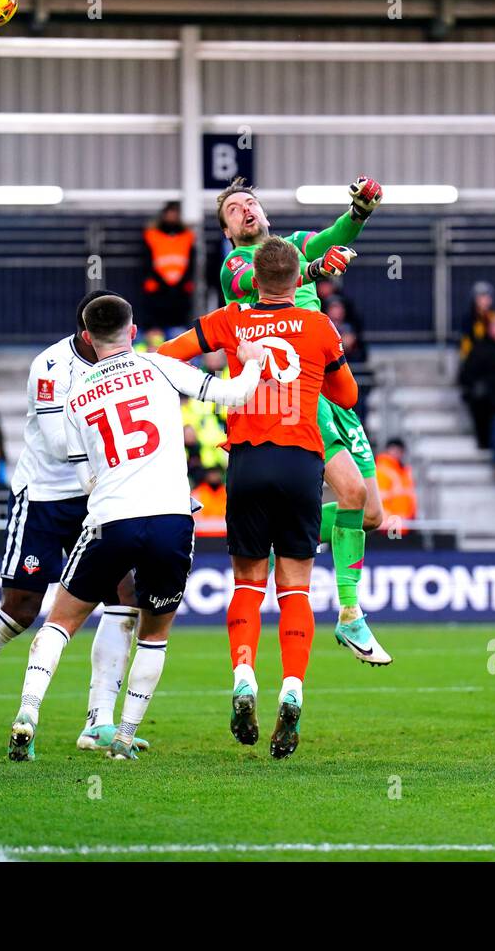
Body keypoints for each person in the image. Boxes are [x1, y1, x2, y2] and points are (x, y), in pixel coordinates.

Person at [8, 294, 264, 761]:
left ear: (87, 337)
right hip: (170, 518)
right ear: (133, 329)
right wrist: (252, 364)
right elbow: (233, 395)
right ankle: (124, 735)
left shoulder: (76, 393)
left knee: (61, 621)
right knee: (154, 632)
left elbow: (85, 476)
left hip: (111, 518)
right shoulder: (161, 365)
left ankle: (28, 711)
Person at [0, 292, 145, 754]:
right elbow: (59, 443)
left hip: (96, 499)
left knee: (125, 594)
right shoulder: (50, 367)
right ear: (84, 333)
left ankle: (99, 721)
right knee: (19, 612)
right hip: (43, 499)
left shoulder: (129, 361)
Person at [160, 236, 359, 759]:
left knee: (248, 582)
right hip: (300, 461)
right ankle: (292, 688)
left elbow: (165, 357)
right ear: (298, 280)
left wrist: (214, 387)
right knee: (294, 586)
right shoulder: (318, 325)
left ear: (254, 278)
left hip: (247, 461)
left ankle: (244, 675)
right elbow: (349, 396)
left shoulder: (231, 320)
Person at [211, 176, 392, 666]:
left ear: (266, 213)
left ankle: (277, 549)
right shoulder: (236, 264)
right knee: (352, 494)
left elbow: (334, 236)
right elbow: (259, 282)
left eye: (251, 202)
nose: (246, 209)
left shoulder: (291, 243)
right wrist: (312, 270)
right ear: (228, 231)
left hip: (335, 387)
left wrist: (359, 212)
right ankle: (350, 614)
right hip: (296, 389)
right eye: (234, 210)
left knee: (373, 514)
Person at [141, 200, 197, 330]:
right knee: (156, 328)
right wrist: (160, 282)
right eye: (169, 213)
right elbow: (146, 263)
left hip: (181, 289)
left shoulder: (188, 236)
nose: (172, 216)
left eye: (175, 213)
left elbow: (191, 263)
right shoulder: (152, 235)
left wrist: (183, 282)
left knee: (178, 328)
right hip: (157, 289)